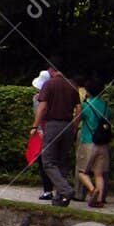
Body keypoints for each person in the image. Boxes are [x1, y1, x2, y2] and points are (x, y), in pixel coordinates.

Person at [33, 58, 78, 206]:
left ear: (52, 70)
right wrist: (74, 126)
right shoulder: (72, 85)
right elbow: (79, 109)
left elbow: (42, 107)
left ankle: (65, 190)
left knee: (48, 161)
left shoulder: (49, 84)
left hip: (53, 124)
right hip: (68, 124)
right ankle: (59, 198)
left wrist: (35, 125)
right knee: (62, 161)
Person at [75, 74, 111, 207]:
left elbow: (77, 120)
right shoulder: (106, 107)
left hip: (88, 141)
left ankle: (92, 189)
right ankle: (100, 199)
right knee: (99, 174)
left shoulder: (86, 106)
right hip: (103, 143)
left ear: (88, 90)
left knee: (82, 171)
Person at [30, 70, 53, 200]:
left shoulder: (37, 98)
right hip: (53, 129)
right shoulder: (55, 97)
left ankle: (48, 190)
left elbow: (38, 115)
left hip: (43, 131)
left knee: (44, 161)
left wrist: (36, 128)